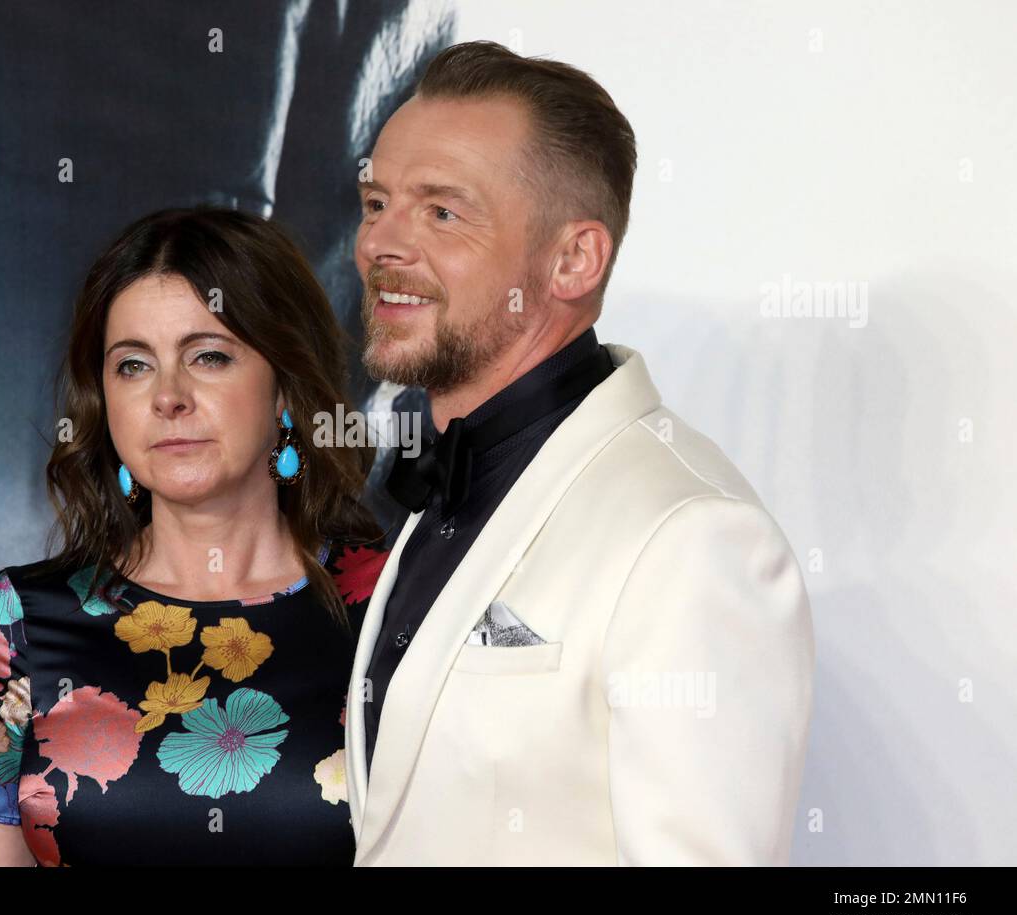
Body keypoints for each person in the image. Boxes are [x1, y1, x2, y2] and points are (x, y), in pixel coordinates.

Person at [345, 41, 815, 865]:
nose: (382, 242)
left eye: (441, 211)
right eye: (376, 202)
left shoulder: (692, 537)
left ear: (574, 259)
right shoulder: (433, 487)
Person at [0, 207, 389, 865]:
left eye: (208, 356)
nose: (169, 397)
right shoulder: (13, 628)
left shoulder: (396, 602)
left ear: (284, 390)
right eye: (133, 366)